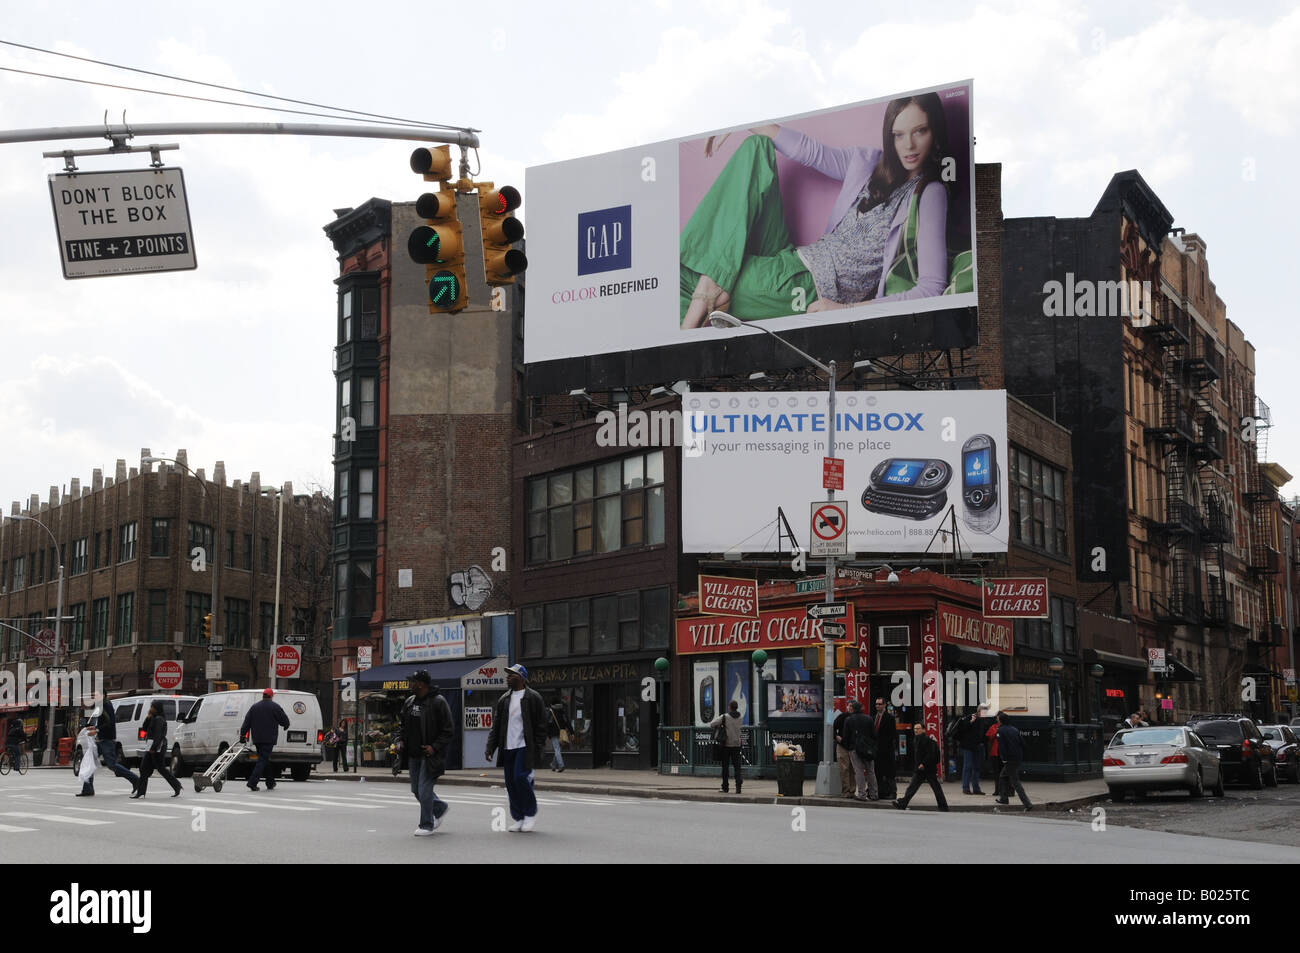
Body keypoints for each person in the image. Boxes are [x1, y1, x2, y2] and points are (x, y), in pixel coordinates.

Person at [680, 93, 953, 329]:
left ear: (935, 131)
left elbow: (931, 289)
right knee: (758, 146)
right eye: (899, 134)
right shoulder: (869, 162)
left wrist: (845, 311)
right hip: (794, 256)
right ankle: (708, 289)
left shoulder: (930, 193)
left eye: (920, 131)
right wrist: (744, 120)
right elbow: (811, 152)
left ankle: (691, 322)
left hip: (813, 287)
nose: (909, 146)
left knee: (683, 276)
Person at [485, 664, 548, 832]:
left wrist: (538, 746)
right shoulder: (504, 699)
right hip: (508, 746)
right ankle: (518, 817)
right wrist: (490, 747)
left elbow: (542, 724)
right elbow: (496, 725)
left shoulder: (533, 697)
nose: (508, 677)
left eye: (511, 675)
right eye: (508, 675)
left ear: (521, 677)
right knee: (510, 782)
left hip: (524, 746)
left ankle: (530, 813)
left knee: (520, 777)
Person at [400, 670, 454, 837]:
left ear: (421, 684)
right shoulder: (409, 702)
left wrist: (434, 747)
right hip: (412, 754)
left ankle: (426, 824)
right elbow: (402, 727)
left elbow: (448, 730)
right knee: (416, 790)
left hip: (429, 755)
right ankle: (440, 808)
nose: (410, 684)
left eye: (413, 681)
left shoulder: (438, 702)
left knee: (424, 790)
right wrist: (399, 741)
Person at [77, 694, 140, 797]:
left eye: (96, 695)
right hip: (100, 740)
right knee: (90, 762)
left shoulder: (106, 705)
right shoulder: (101, 705)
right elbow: (102, 722)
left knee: (111, 764)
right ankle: (87, 789)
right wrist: (93, 728)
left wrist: (96, 730)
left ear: (103, 695)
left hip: (106, 740)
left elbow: (109, 723)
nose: (94, 697)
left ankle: (136, 780)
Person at [239, 688, 290, 792]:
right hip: (269, 738)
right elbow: (283, 719)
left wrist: (243, 735)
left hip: (257, 738)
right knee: (262, 760)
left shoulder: (254, 707)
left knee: (264, 759)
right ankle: (252, 782)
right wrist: (285, 725)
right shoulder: (275, 706)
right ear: (271, 696)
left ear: (263, 696)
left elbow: (247, 722)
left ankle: (270, 782)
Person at [894, 723, 949, 811]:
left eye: (918, 728)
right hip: (920, 769)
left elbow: (930, 754)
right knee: (912, 787)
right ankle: (903, 803)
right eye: (915, 728)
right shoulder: (916, 739)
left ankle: (943, 806)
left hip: (928, 769)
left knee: (936, 788)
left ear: (923, 729)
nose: (916, 730)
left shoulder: (926, 740)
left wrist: (923, 764)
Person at [132, 703, 181, 798]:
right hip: (151, 746)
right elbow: (145, 728)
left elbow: (158, 735)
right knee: (144, 768)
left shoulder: (159, 719)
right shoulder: (153, 718)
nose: (150, 709)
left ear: (156, 708)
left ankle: (177, 785)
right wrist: (148, 717)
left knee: (160, 768)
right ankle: (141, 791)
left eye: (152, 707)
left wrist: (153, 748)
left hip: (158, 747)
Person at [841, 700, 879, 801]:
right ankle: (874, 793)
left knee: (859, 771)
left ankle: (862, 794)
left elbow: (846, 736)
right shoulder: (869, 719)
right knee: (871, 771)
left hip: (855, 748)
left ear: (852, 709)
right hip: (868, 749)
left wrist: (848, 746)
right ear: (861, 708)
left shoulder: (849, 720)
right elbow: (874, 735)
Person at [994, 712, 1032, 811]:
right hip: (1017, 758)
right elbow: (1023, 744)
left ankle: (1027, 803)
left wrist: (1004, 759)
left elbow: (1002, 747)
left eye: (997, 719)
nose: (996, 720)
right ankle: (1004, 798)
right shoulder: (1014, 729)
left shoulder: (1000, 731)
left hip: (1009, 759)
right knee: (1003, 776)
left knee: (1015, 782)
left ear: (1001, 721)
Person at [709, 699, 745, 794]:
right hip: (737, 745)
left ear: (729, 707)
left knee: (725, 767)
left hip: (726, 745)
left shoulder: (725, 717)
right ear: (736, 707)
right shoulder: (741, 717)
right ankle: (738, 787)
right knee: (737, 767)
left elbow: (712, 724)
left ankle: (725, 787)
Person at [955, 704, 988, 795]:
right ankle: (965, 788)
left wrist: (982, 742)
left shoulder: (983, 720)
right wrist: (971, 722)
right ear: (978, 711)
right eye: (983, 712)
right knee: (968, 766)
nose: (985, 714)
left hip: (977, 746)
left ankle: (976, 788)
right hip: (968, 746)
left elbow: (983, 733)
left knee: (977, 767)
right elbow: (962, 729)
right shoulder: (970, 717)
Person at [873, 698, 898, 800]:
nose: (877, 706)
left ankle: (892, 792)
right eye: (876, 704)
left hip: (887, 750)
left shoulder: (889, 718)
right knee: (878, 772)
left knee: (889, 773)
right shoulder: (874, 717)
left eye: (879, 704)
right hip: (876, 750)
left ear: (884, 705)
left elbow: (892, 734)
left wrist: (890, 747)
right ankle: (881, 792)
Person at [832, 706, 854, 796]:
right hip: (844, 745)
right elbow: (833, 727)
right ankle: (847, 791)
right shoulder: (842, 717)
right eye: (849, 707)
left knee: (850, 769)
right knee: (846, 769)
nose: (850, 709)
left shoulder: (856, 718)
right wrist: (836, 737)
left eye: (852, 707)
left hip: (850, 746)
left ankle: (850, 791)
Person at [545, 701, 570, 773]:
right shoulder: (562, 711)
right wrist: (571, 732)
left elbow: (548, 723)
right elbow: (567, 721)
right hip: (561, 732)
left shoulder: (551, 712)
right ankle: (553, 764)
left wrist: (548, 733)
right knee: (558, 749)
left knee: (557, 749)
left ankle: (561, 765)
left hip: (553, 733)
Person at [986, 716, 1003, 799]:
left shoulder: (1004, 727)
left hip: (1002, 753)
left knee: (1003, 773)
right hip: (995, 752)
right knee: (997, 773)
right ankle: (997, 790)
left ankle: (1004, 790)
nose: (998, 720)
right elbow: (989, 737)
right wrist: (996, 733)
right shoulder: (993, 727)